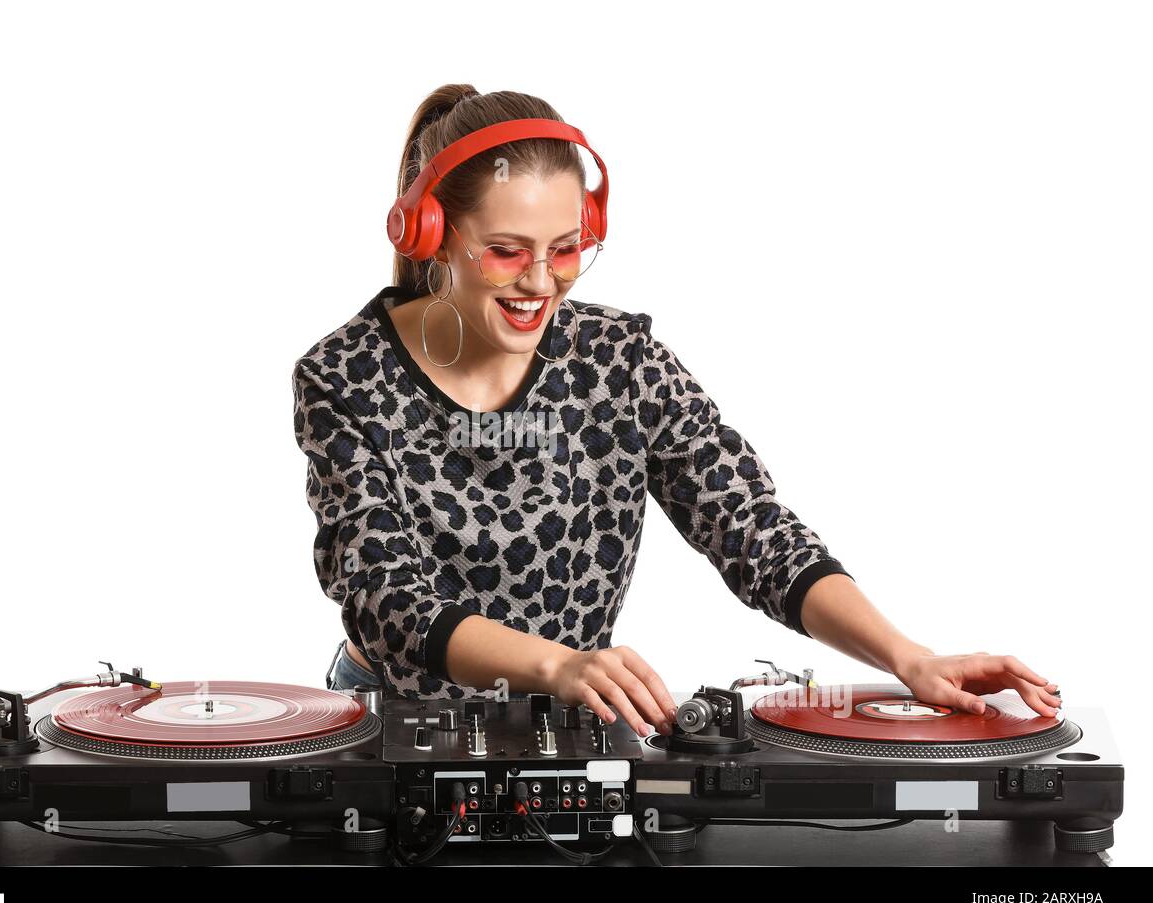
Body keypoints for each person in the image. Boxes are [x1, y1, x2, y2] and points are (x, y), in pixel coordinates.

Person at [292, 84, 1059, 736]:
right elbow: (386, 597)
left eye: (565, 249)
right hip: (395, 722)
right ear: (434, 233)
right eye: (505, 250)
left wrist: (906, 656)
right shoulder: (341, 376)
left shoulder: (621, 359)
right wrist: (558, 662)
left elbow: (751, 526)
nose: (541, 282)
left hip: (565, 724)